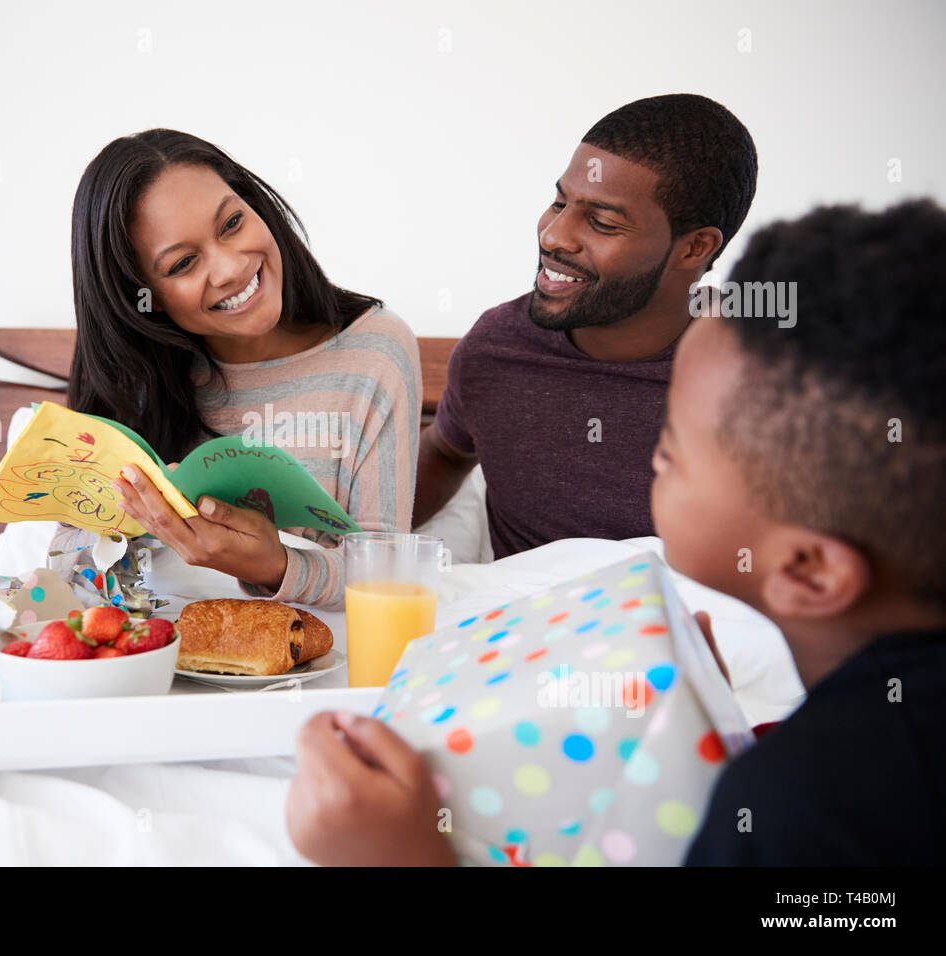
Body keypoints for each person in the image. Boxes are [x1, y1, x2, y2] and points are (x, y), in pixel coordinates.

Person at [287, 200, 946, 866]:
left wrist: (408, 856)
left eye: (676, 449)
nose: (655, 456)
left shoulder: (805, 807)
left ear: (809, 572)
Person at [55, 129, 421, 608]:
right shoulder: (137, 379)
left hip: (319, 664)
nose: (229, 268)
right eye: (184, 263)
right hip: (157, 663)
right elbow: (67, 559)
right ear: (141, 296)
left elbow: (387, 568)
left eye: (231, 224)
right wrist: (130, 523)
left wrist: (274, 566)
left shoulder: (375, 352)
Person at [414, 94, 758, 558]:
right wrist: (335, 544)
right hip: (519, 624)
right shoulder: (496, 349)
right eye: (559, 202)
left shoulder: (768, 376)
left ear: (694, 248)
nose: (553, 235)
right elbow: (447, 450)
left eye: (601, 222)